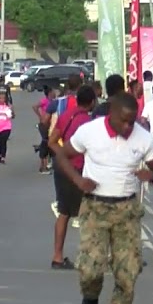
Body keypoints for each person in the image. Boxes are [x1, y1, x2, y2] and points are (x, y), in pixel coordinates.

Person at [57, 92, 153, 304]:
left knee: (127, 276)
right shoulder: (89, 132)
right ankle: (90, 299)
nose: (128, 127)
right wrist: (77, 179)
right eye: (124, 121)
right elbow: (62, 154)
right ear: (112, 114)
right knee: (90, 269)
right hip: (95, 208)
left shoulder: (143, 138)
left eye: (132, 122)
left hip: (127, 212)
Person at [47, 85, 99, 270]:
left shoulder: (66, 115)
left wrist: (62, 155)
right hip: (78, 170)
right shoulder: (89, 122)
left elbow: (51, 141)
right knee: (88, 215)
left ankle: (57, 256)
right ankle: (88, 258)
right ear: (92, 102)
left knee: (64, 212)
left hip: (61, 169)